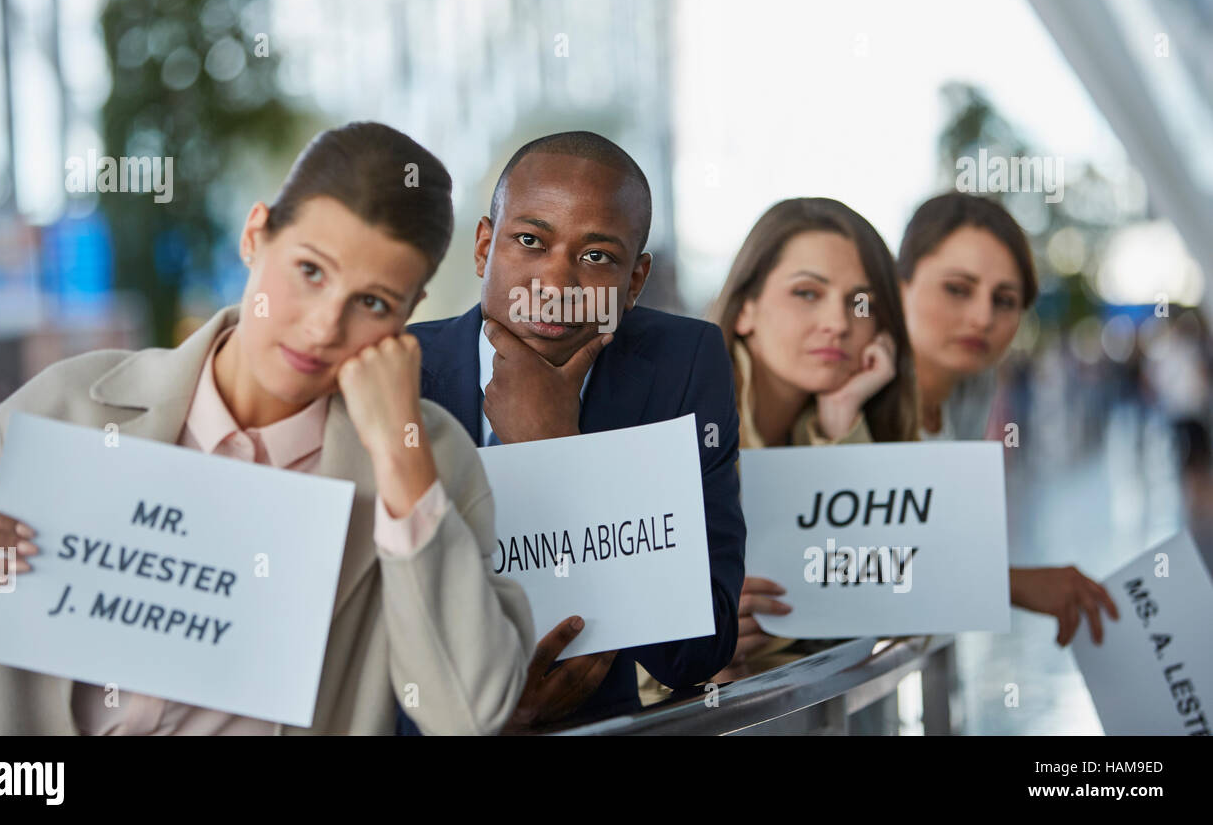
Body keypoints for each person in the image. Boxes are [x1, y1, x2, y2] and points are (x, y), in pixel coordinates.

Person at [0, 122, 534, 735]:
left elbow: (466, 713)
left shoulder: (431, 461)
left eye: (373, 303)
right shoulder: (56, 413)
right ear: (255, 235)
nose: (323, 328)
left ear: (407, 315)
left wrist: (401, 467)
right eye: (310, 271)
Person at [408, 130, 746, 731]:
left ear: (635, 281)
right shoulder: (397, 373)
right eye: (531, 241)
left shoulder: (683, 364)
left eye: (596, 257)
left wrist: (560, 454)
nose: (556, 284)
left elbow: (696, 651)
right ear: (485, 247)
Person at [703, 198, 918, 683]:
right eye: (806, 293)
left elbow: (874, 595)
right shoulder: (679, 428)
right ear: (745, 308)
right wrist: (687, 646)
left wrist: (842, 422)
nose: (839, 323)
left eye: (861, 303)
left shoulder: (835, 423)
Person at [898, 191, 1118, 646]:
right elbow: (842, 564)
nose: (982, 317)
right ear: (899, 285)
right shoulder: (850, 391)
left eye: (1005, 300)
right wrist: (1012, 584)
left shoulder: (973, 383)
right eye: (957, 289)